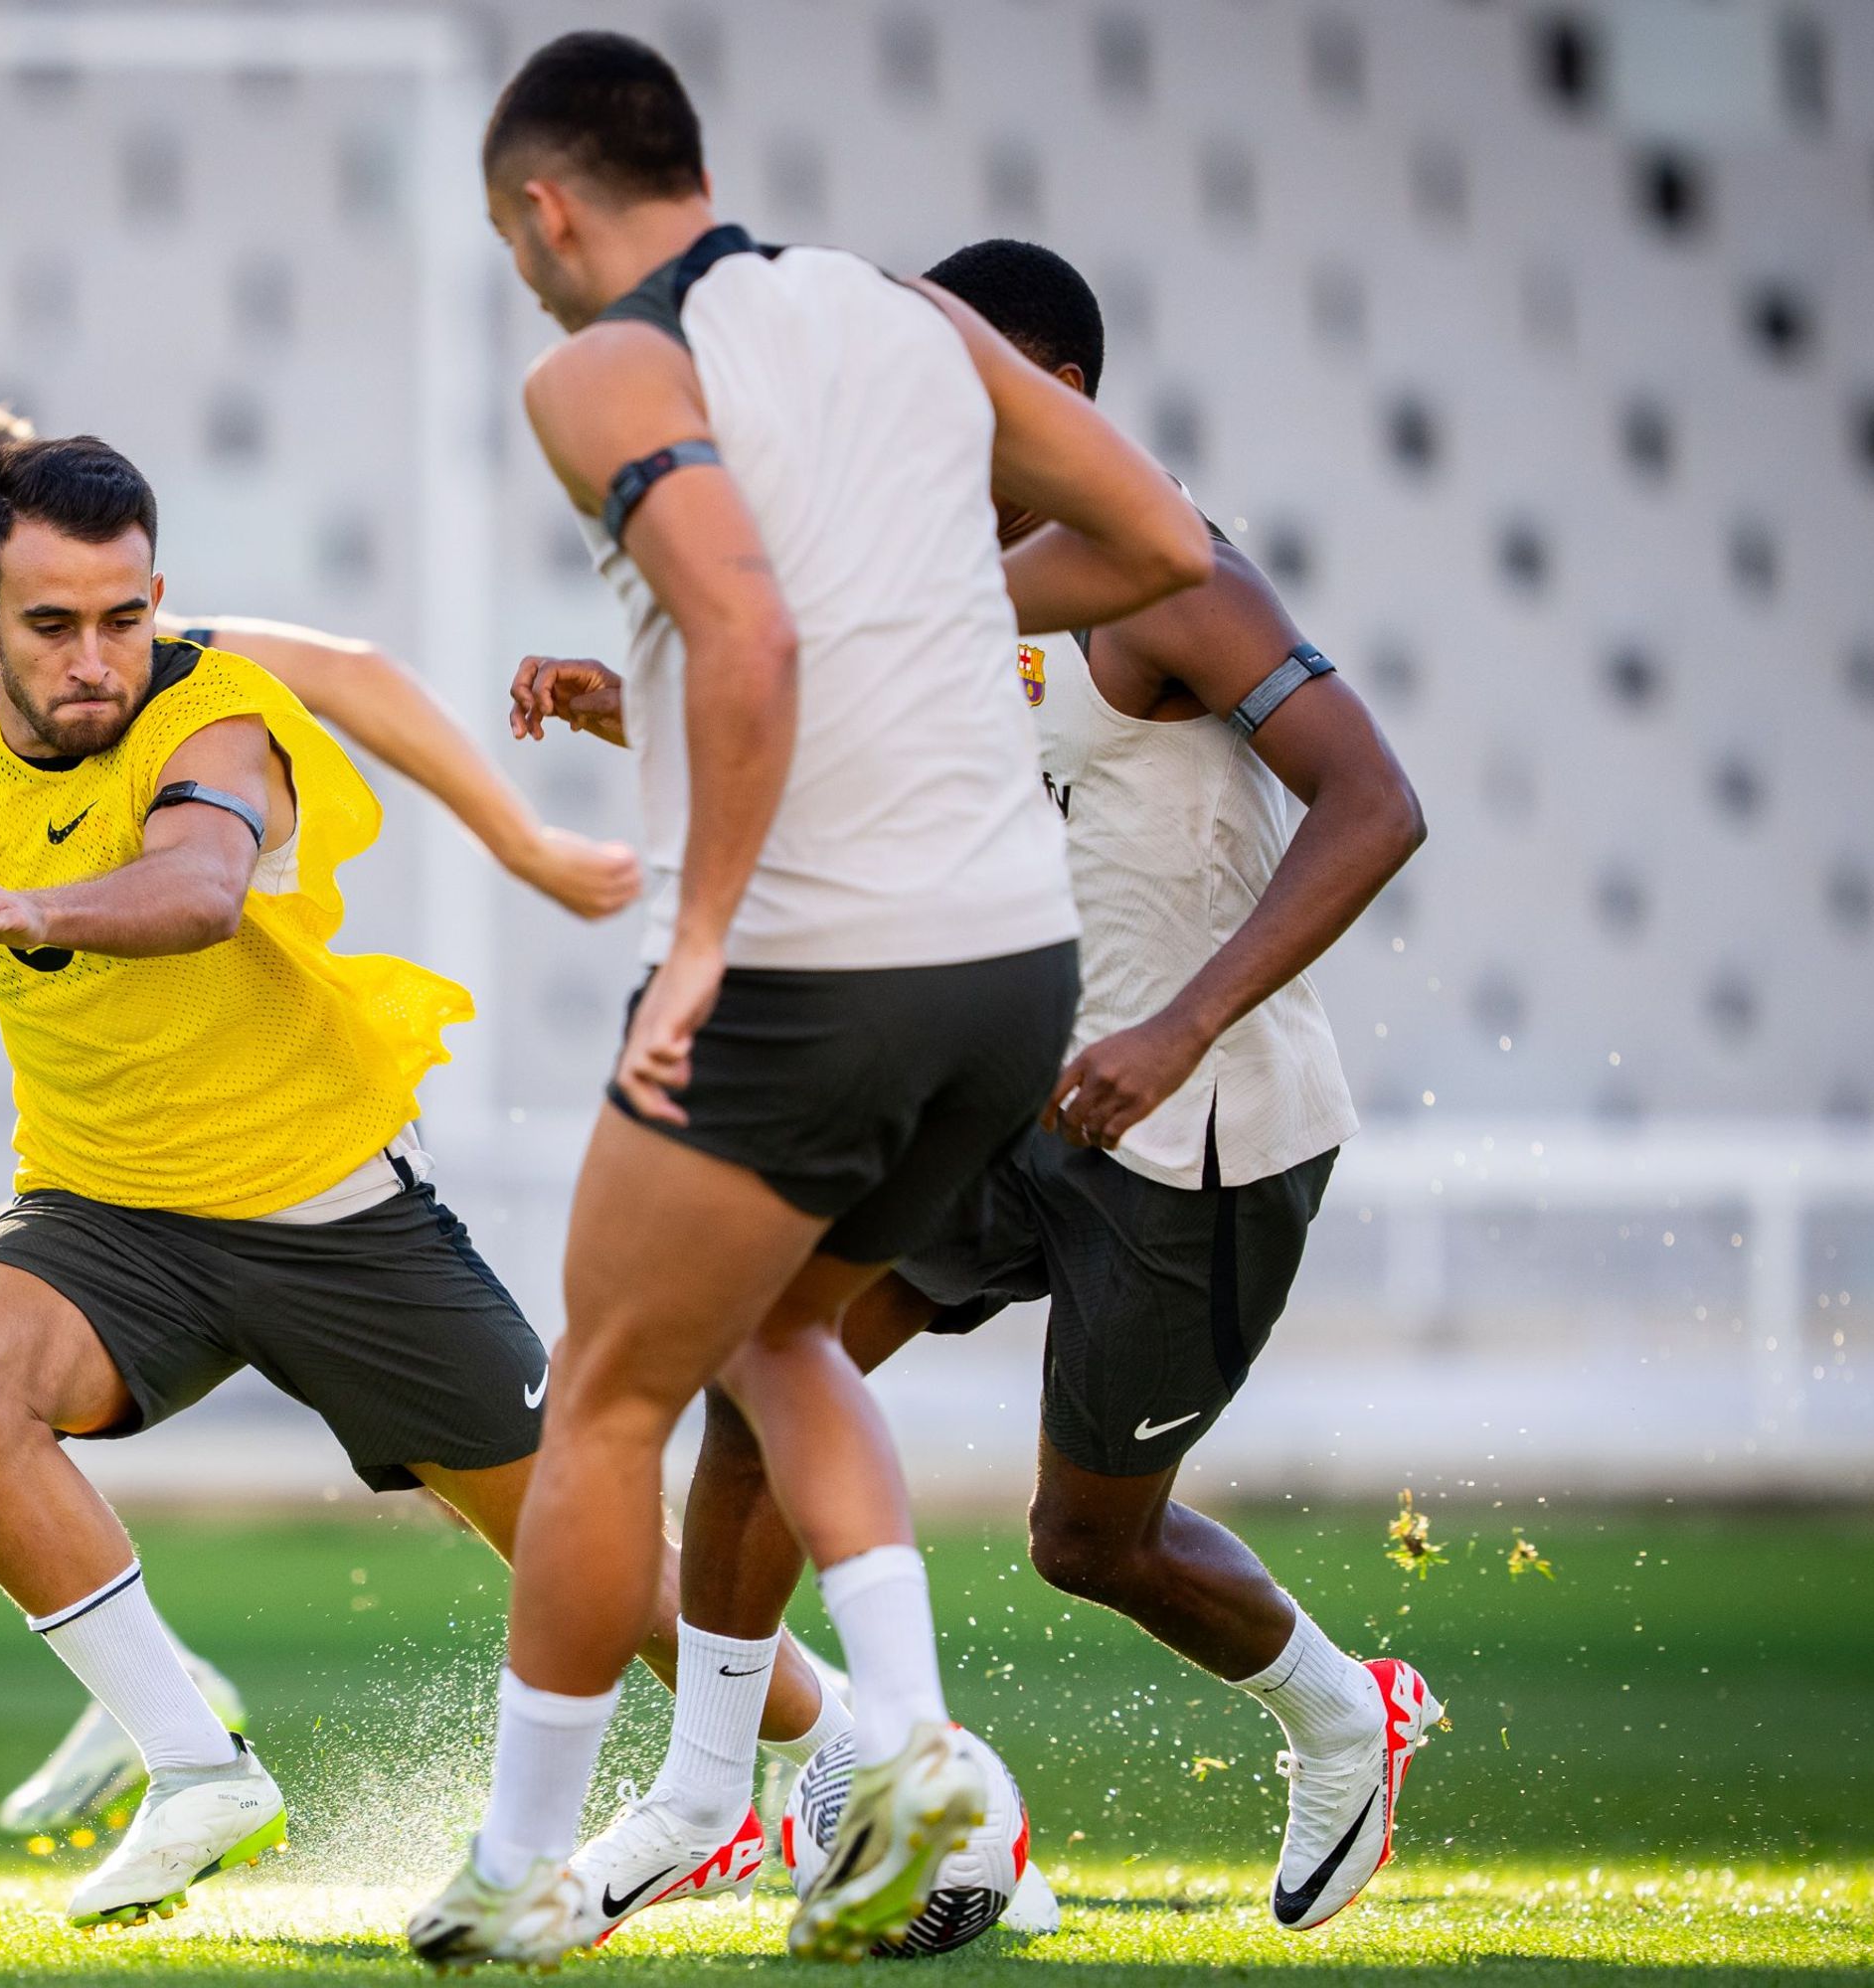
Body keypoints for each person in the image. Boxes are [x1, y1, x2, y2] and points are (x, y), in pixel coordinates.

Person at [0, 435, 828, 1930]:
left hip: (331, 1220)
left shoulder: (222, 716)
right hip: (109, 1216)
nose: (97, 657)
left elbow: (197, 891)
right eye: (53, 625)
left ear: (157, 593)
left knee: (613, 1583)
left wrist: (35, 906)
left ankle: (854, 1755)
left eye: (123, 616)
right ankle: (195, 1766)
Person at [409, 36, 1213, 1968]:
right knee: (784, 1334)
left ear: (545, 208)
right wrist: (924, 621)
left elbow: (747, 628)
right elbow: (1162, 544)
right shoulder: (906, 317)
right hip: (1007, 973)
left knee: (601, 1392)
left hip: (800, 968)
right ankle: (911, 1736)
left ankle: (520, 1868)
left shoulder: (597, 363)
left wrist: (692, 946)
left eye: (517, 239)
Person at [592, 237, 1440, 1942]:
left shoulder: (1172, 573)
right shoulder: (928, 569)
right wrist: (618, 705)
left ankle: (1349, 1715)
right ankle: (700, 1796)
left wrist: (1178, 1030)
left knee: (1088, 1543)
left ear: (1044, 395)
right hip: (995, 1100)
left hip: (1194, 1132)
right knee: (762, 1376)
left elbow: (1376, 805)